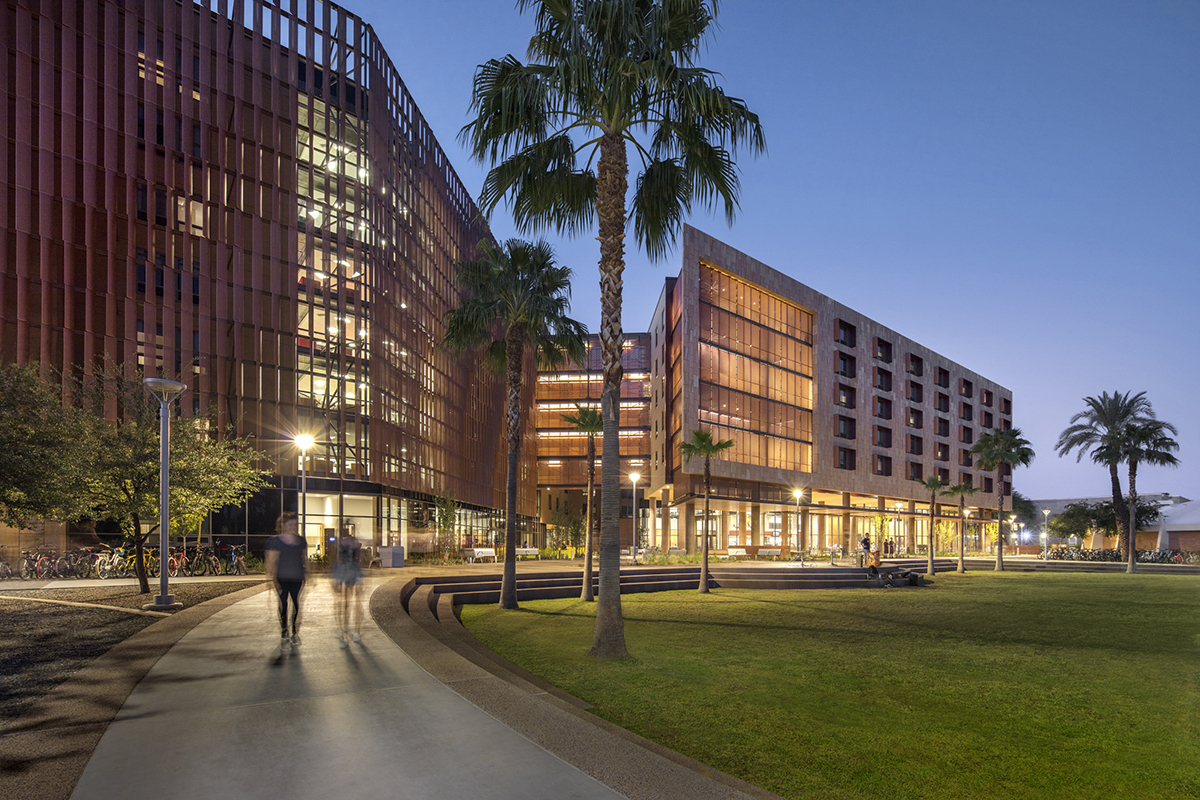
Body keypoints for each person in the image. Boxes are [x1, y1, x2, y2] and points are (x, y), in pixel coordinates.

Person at [265, 512, 307, 652]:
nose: (293, 527)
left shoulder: (301, 541)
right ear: (283, 525)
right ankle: (284, 632)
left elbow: (305, 559)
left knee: (296, 604)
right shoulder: (275, 541)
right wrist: (273, 580)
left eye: (295, 524)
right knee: (283, 604)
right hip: (282, 578)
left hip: (297, 578)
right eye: (290, 524)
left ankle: (294, 631)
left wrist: (308, 574)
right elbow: (272, 561)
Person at [332, 527, 363, 647]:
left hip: (351, 572)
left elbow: (340, 559)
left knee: (350, 602)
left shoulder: (346, 542)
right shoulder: (347, 542)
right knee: (345, 602)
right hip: (348, 571)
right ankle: (349, 631)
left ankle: (352, 632)